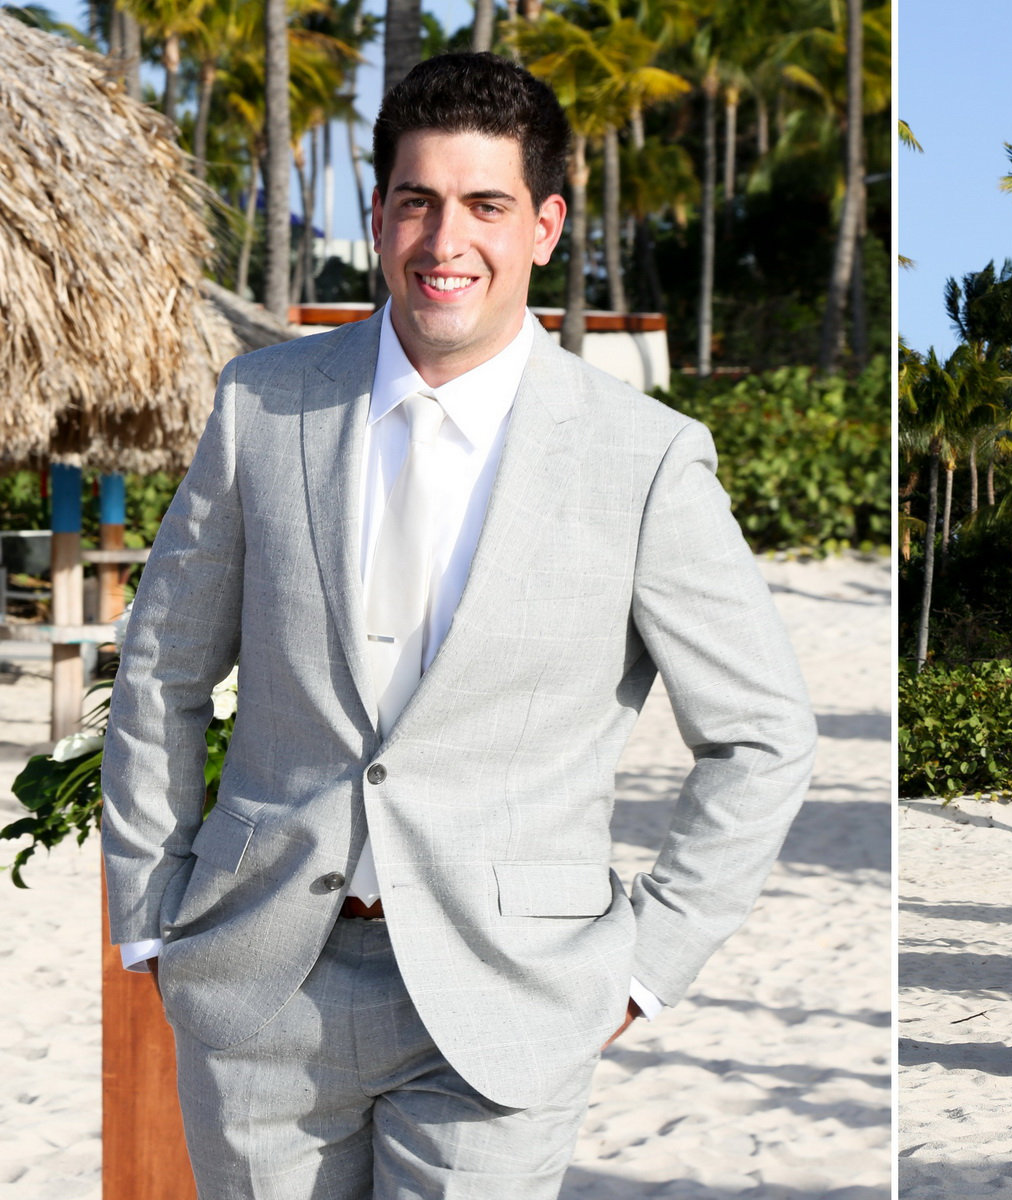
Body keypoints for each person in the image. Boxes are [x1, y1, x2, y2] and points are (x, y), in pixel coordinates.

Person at [100, 53, 816, 1198]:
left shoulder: (644, 458)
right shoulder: (261, 404)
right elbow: (163, 671)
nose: (447, 241)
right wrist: (148, 915)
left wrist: (644, 968)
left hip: (510, 1000)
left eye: (485, 205)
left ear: (545, 226)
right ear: (379, 214)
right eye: (418, 202)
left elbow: (766, 735)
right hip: (258, 980)